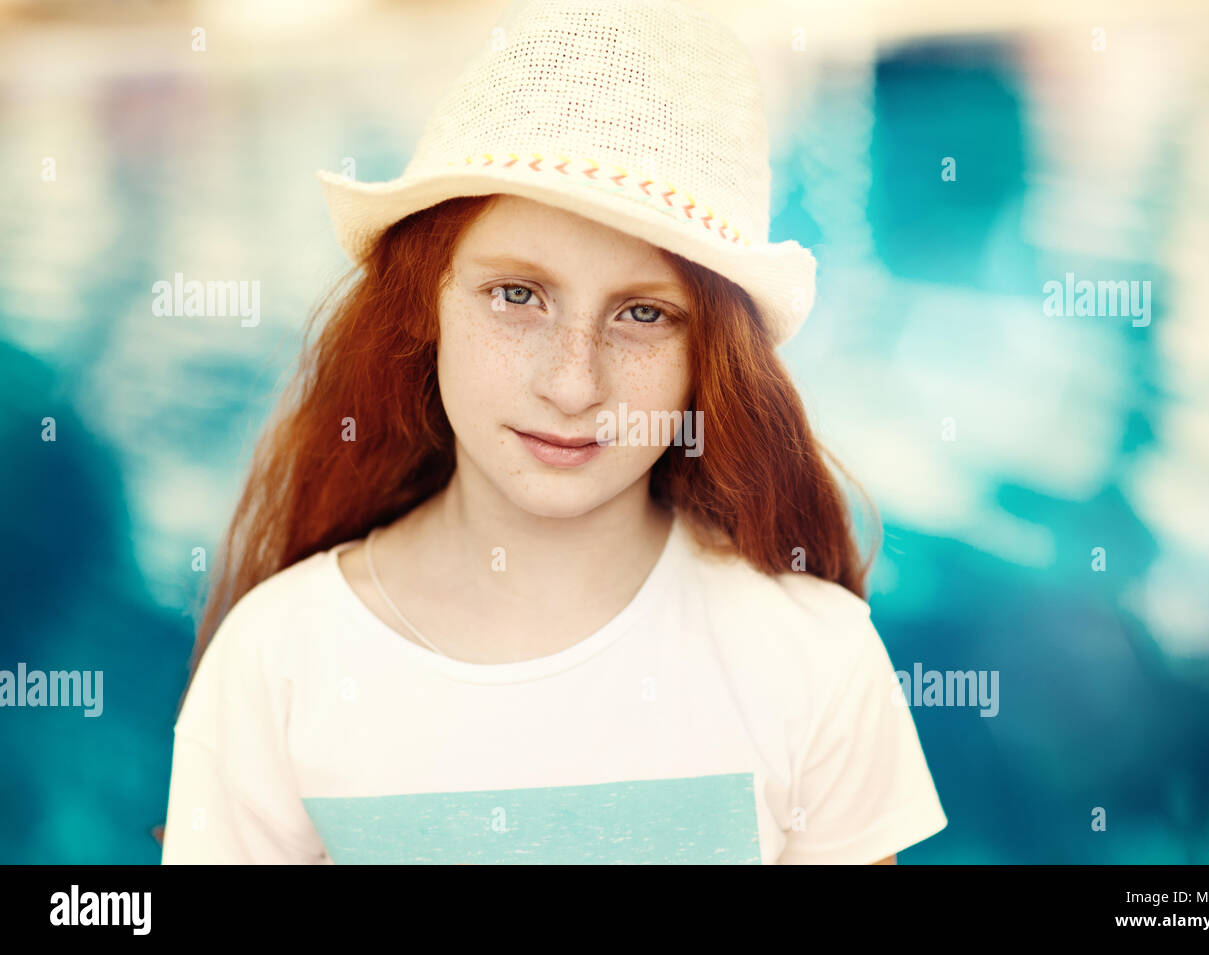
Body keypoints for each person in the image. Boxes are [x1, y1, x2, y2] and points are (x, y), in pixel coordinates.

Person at [160, 0, 948, 864]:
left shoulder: (813, 660)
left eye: (644, 313)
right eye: (517, 295)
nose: (574, 384)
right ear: (424, 301)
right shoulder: (278, 663)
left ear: (710, 361)